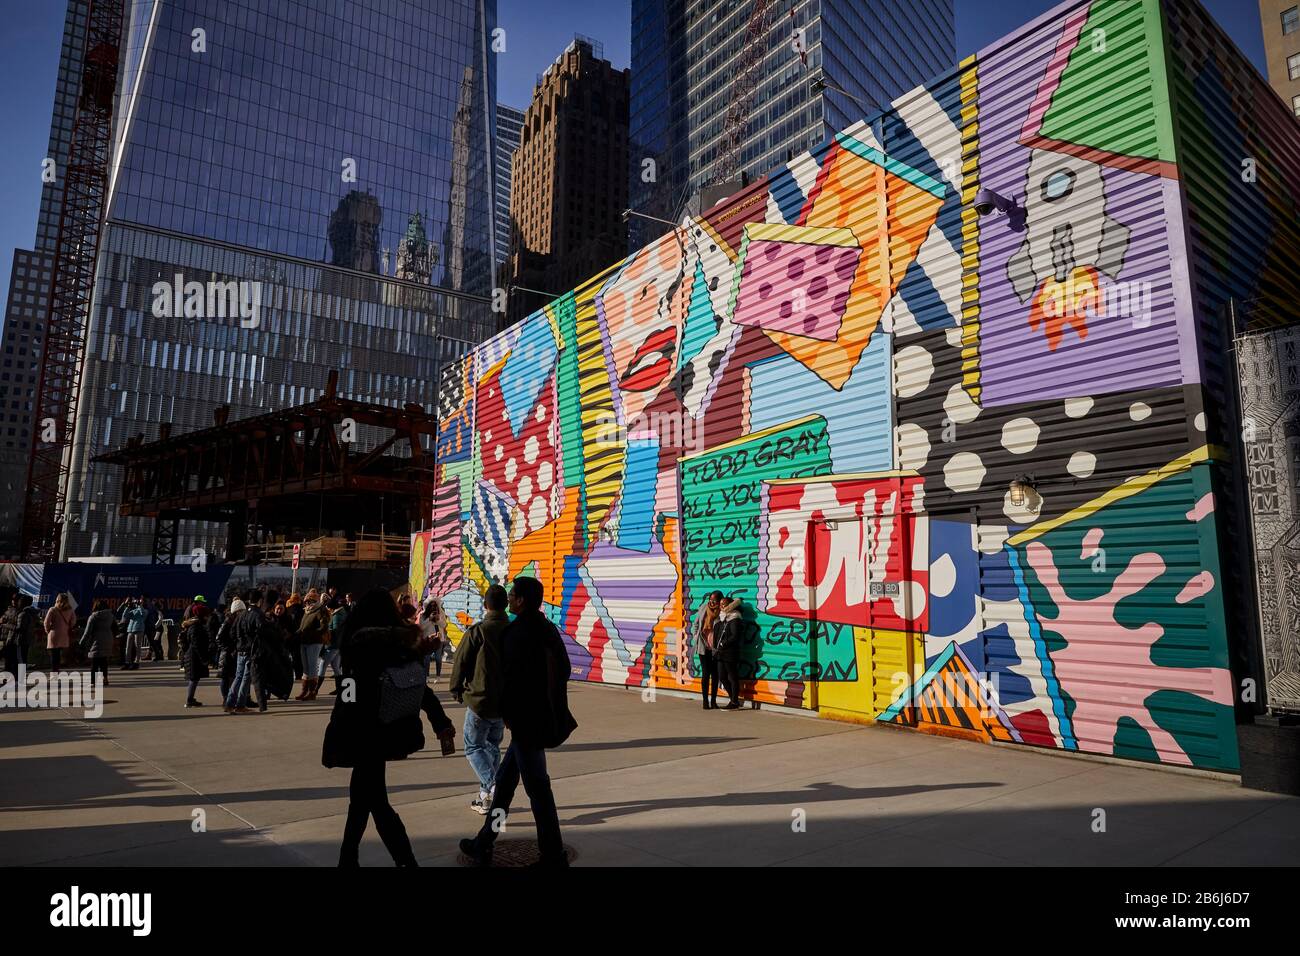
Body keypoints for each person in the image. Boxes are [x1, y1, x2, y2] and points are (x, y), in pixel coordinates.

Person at [322, 588, 456, 867]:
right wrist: (439, 720)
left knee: (375, 803)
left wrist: (342, 717)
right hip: (392, 728)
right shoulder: (404, 641)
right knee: (362, 799)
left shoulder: (358, 642)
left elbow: (349, 688)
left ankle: (405, 862)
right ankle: (348, 859)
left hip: (363, 730)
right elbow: (417, 684)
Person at [459, 576, 576, 867]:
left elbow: (511, 682)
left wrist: (511, 715)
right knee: (504, 784)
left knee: (538, 790)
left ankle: (552, 854)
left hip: (526, 725)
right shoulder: (548, 629)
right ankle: (484, 841)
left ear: (521, 600)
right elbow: (564, 668)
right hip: (538, 720)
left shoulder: (516, 633)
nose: (509, 599)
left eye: (513, 595)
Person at [449, 585, 509, 814]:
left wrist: (455, 689)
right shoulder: (513, 631)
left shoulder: (479, 631)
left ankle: (493, 785)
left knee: (474, 747)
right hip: (503, 705)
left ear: (485, 605)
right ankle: (485, 797)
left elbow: (461, 662)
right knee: (492, 746)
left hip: (479, 701)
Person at [691, 590, 723, 709]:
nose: (711, 602)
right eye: (710, 599)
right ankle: (705, 701)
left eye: (714, 600)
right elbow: (696, 624)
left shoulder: (722, 611)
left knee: (715, 675)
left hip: (715, 648)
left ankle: (713, 701)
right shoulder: (703, 607)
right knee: (706, 674)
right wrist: (696, 637)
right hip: (703, 646)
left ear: (720, 601)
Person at [296, 588, 330, 701]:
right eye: (306, 601)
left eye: (309, 601)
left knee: (312, 667)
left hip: (314, 642)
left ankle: (312, 692)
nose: (307, 603)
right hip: (304, 642)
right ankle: (304, 691)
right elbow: (302, 627)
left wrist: (313, 633)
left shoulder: (320, 610)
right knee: (305, 668)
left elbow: (324, 626)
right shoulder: (307, 611)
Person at [714, 596, 745, 710]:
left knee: (732, 677)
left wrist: (723, 643)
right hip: (721, 653)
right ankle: (733, 698)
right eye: (721, 604)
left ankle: (734, 701)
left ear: (731, 605)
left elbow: (735, 636)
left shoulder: (734, 617)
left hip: (730, 652)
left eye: (725, 604)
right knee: (722, 676)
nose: (722, 606)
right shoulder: (723, 617)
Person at [180, 599, 211, 708]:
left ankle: (191, 699)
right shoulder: (196, 627)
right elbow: (197, 645)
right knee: (193, 678)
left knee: (195, 678)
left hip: (193, 655)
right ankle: (189, 700)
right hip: (194, 656)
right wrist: (204, 659)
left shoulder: (194, 626)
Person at [1, 593, 40, 679]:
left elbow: (19, 628)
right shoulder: (32, 612)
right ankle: (20, 677)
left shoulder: (23, 614)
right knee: (22, 659)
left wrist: (5, 625)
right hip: (27, 639)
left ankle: (20, 678)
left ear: (22, 603)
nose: (17, 602)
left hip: (20, 640)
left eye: (19, 601)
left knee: (19, 660)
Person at [79, 599, 116, 688]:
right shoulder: (110, 616)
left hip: (96, 640)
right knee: (104, 661)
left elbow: (87, 632)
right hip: (108, 639)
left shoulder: (93, 617)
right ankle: (105, 679)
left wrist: (81, 642)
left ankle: (93, 682)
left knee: (95, 662)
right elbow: (114, 627)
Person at [43, 593, 77, 672]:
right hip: (64, 634)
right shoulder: (70, 610)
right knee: (58, 654)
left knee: (54, 654)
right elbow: (74, 621)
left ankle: (54, 671)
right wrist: (69, 626)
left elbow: (46, 622)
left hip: (54, 634)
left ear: (57, 600)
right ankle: (57, 669)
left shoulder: (53, 609)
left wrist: (47, 631)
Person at [419, 597, 448, 680]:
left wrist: (438, 620)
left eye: (435, 605)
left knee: (438, 658)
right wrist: (429, 619)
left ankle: (438, 675)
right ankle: (427, 676)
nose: (433, 607)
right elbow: (422, 627)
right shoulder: (423, 614)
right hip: (428, 639)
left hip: (439, 638)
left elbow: (444, 625)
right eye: (431, 605)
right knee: (427, 659)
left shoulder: (441, 613)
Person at [123, 597, 149, 670]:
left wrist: (139, 606)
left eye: (141, 602)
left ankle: (136, 662)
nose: (137, 602)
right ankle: (127, 662)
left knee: (138, 647)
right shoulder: (133, 610)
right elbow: (124, 616)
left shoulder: (145, 610)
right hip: (130, 630)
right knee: (128, 647)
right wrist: (127, 607)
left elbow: (143, 614)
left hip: (139, 629)